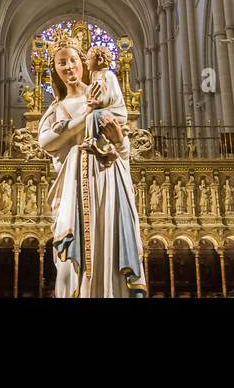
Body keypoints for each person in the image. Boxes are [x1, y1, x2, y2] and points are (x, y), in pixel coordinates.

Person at [38, 30, 146, 298]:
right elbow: (46, 141)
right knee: (67, 263)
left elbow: (122, 148)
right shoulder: (56, 109)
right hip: (72, 188)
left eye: (72, 60)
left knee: (108, 247)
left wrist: (118, 139)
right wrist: (86, 114)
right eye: (61, 62)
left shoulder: (105, 95)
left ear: (82, 63)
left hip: (107, 181)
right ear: (55, 70)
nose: (68, 66)